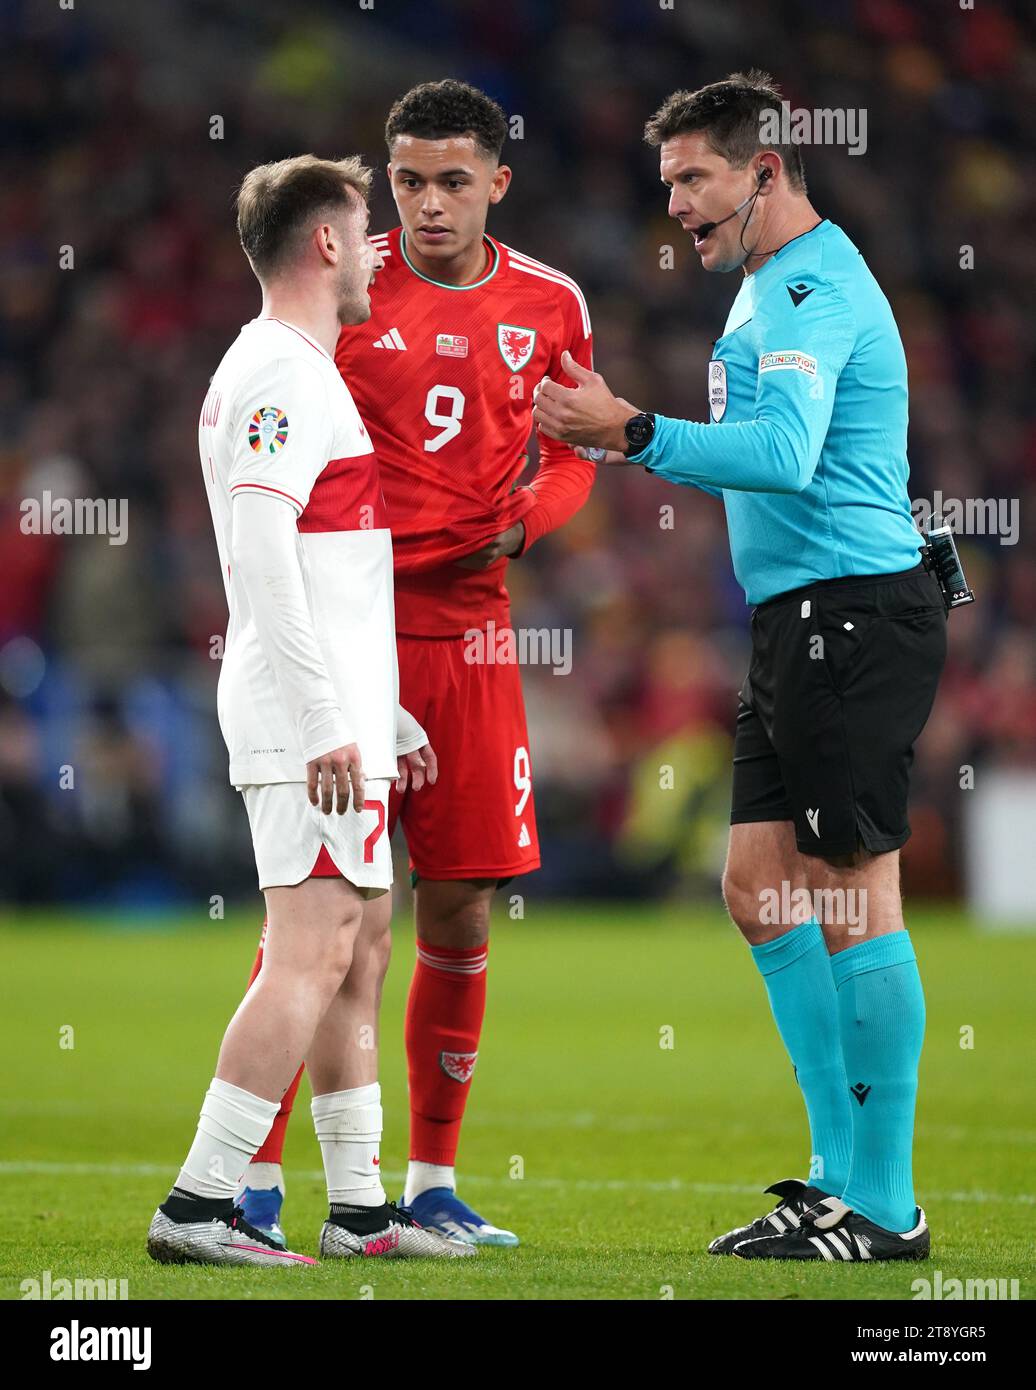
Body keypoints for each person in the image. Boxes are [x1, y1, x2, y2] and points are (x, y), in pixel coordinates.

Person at [532, 71, 946, 1263]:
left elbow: (785, 450)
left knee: (851, 895)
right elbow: (752, 457)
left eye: (692, 180)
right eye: (667, 185)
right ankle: (832, 1178)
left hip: (853, 619)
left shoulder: (810, 288)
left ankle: (884, 1203)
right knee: (759, 888)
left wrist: (634, 432)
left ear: (764, 170)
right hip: (797, 622)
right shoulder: (768, 288)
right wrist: (625, 445)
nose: (676, 207)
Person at [238, 80, 595, 1248]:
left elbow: (577, 446)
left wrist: (528, 521)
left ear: (499, 179)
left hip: (473, 632)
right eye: (407, 178)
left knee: (462, 908)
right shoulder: (344, 282)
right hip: (354, 633)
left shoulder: (549, 301)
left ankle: (430, 1183)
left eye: (452, 180)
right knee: (321, 911)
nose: (428, 203)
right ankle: (248, 1179)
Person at [147, 153, 472, 1265]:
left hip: (331, 711)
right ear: (326, 243)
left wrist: (380, 716)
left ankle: (361, 1212)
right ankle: (198, 1204)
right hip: (299, 720)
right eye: (367, 224)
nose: (382, 247)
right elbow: (261, 555)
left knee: (362, 946)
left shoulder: (290, 366)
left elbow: (327, 571)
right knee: (310, 949)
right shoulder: (282, 371)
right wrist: (329, 718)